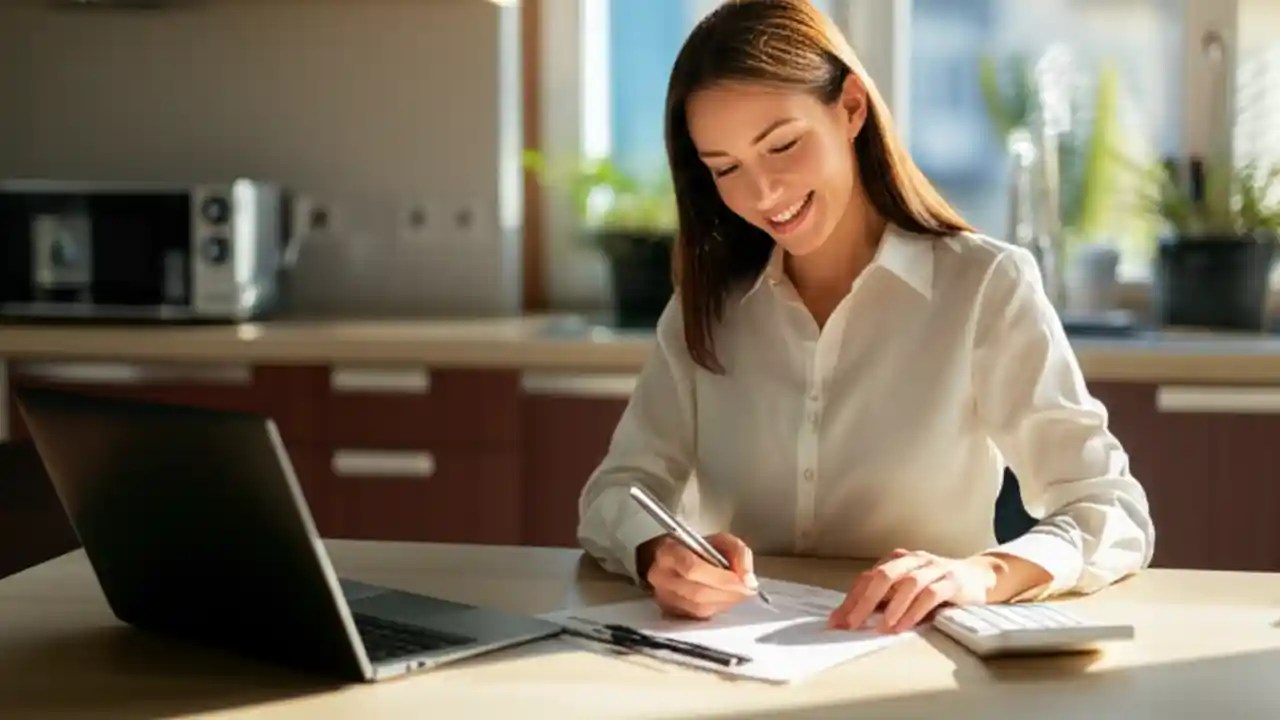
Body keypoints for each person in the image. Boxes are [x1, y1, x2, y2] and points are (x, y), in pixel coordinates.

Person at [576, 0, 1154, 635]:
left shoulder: (984, 286)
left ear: (851, 107)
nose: (763, 193)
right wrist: (659, 553)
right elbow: (616, 491)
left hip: (918, 657)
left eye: (783, 145)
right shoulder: (707, 305)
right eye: (726, 168)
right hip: (733, 654)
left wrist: (983, 574)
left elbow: (1109, 506)